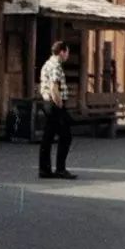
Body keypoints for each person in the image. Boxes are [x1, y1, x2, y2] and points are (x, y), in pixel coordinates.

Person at [38, 42, 77, 180]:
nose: (67, 55)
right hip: (54, 104)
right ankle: (60, 169)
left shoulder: (47, 64)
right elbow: (54, 87)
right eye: (67, 52)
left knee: (48, 136)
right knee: (66, 136)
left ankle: (44, 169)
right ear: (62, 52)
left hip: (47, 102)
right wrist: (59, 104)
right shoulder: (55, 66)